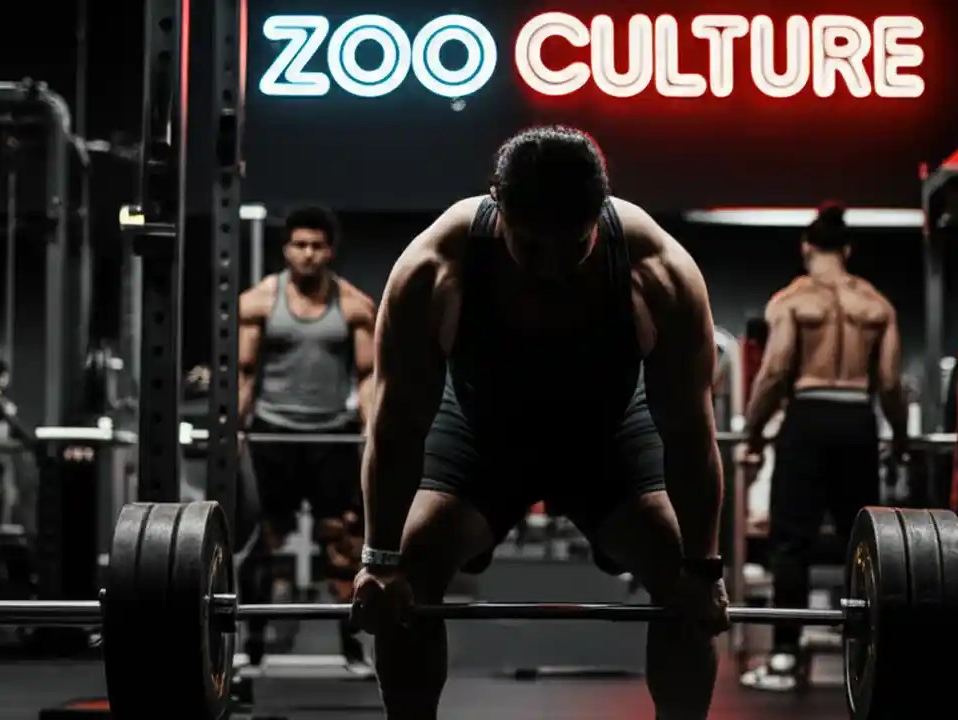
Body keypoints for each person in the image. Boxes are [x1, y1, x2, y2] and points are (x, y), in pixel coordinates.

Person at [349, 125, 730, 720]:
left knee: (676, 563)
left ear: (598, 214)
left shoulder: (657, 271)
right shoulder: (434, 266)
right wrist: (379, 560)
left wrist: (703, 570)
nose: (550, 267)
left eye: (571, 246)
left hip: (606, 440)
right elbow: (397, 425)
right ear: (496, 205)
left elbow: (688, 433)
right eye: (530, 247)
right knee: (414, 561)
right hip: (482, 437)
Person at [738, 203, 907, 691]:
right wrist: (897, 436)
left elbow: (773, 373)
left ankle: (786, 657)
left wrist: (752, 435)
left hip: (807, 417)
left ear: (806, 247)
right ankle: (869, 656)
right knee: (866, 546)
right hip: (858, 418)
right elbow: (892, 383)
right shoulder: (877, 306)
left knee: (791, 543)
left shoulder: (791, 301)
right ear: (848, 250)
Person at [237, 204, 377, 665]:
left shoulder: (355, 306)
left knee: (341, 541)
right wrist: (232, 431)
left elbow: (368, 378)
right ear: (286, 248)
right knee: (266, 540)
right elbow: (244, 375)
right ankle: (253, 643)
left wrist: (374, 433)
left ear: (330, 250)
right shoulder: (257, 302)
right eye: (300, 244)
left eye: (317, 245)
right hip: (272, 434)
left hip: (331, 436)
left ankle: (351, 645)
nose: (308, 254)